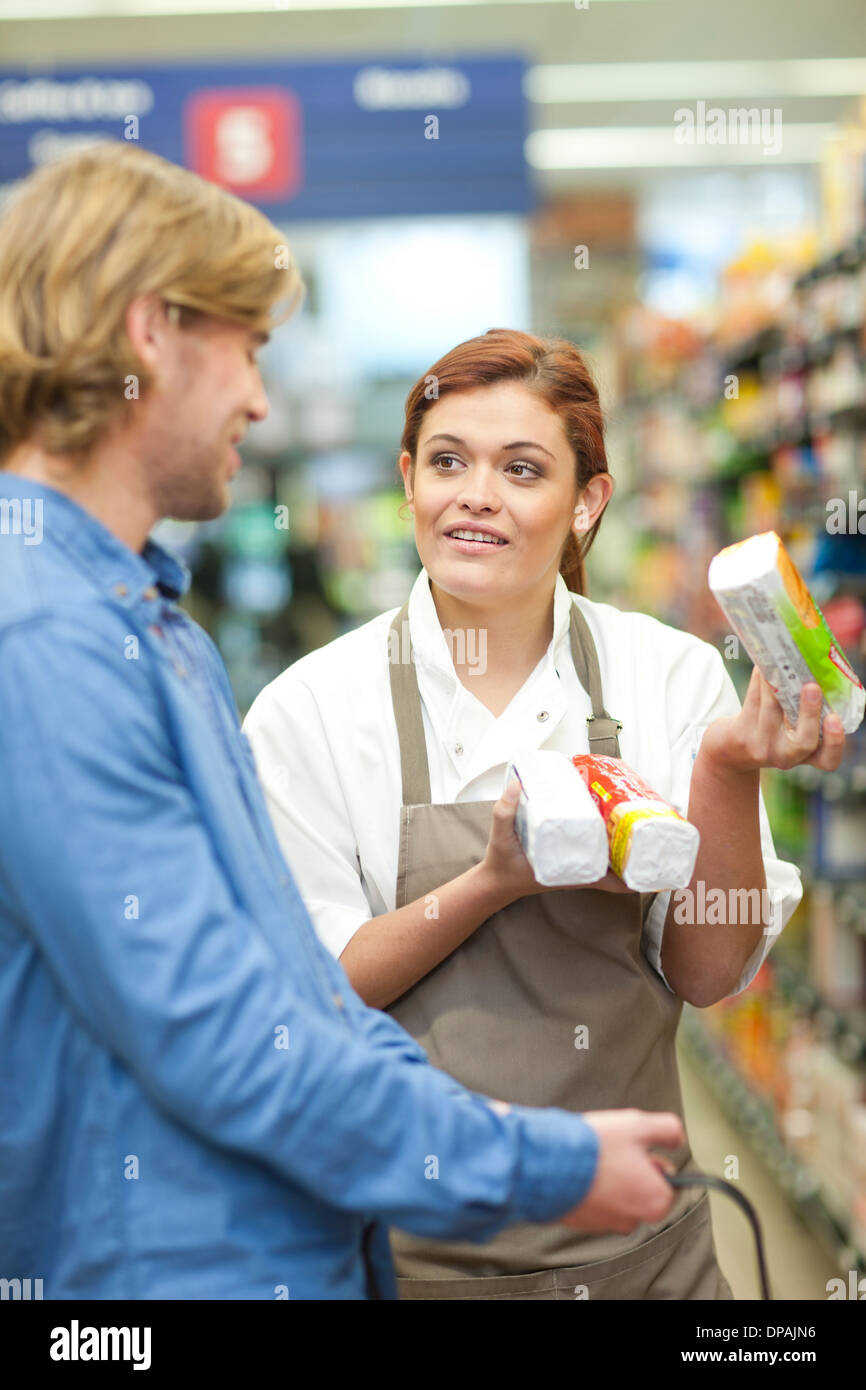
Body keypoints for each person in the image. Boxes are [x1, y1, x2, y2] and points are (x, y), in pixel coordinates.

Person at [0, 142, 690, 1302]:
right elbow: (223, 1038)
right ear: (148, 332)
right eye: (249, 347)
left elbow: (295, 996)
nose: (261, 398)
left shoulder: (148, 626)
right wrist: (530, 1161)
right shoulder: (44, 644)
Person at [244, 327, 846, 1300]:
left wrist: (724, 767)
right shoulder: (311, 707)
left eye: (521, 468)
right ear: (407, 481)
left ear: (586, 502)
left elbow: (706, 973)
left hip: (645, 1258)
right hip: (405, 1263)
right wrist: (493, 882)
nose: (474, 493)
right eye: (446, 461)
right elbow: (317, 992)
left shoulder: (666, 674)